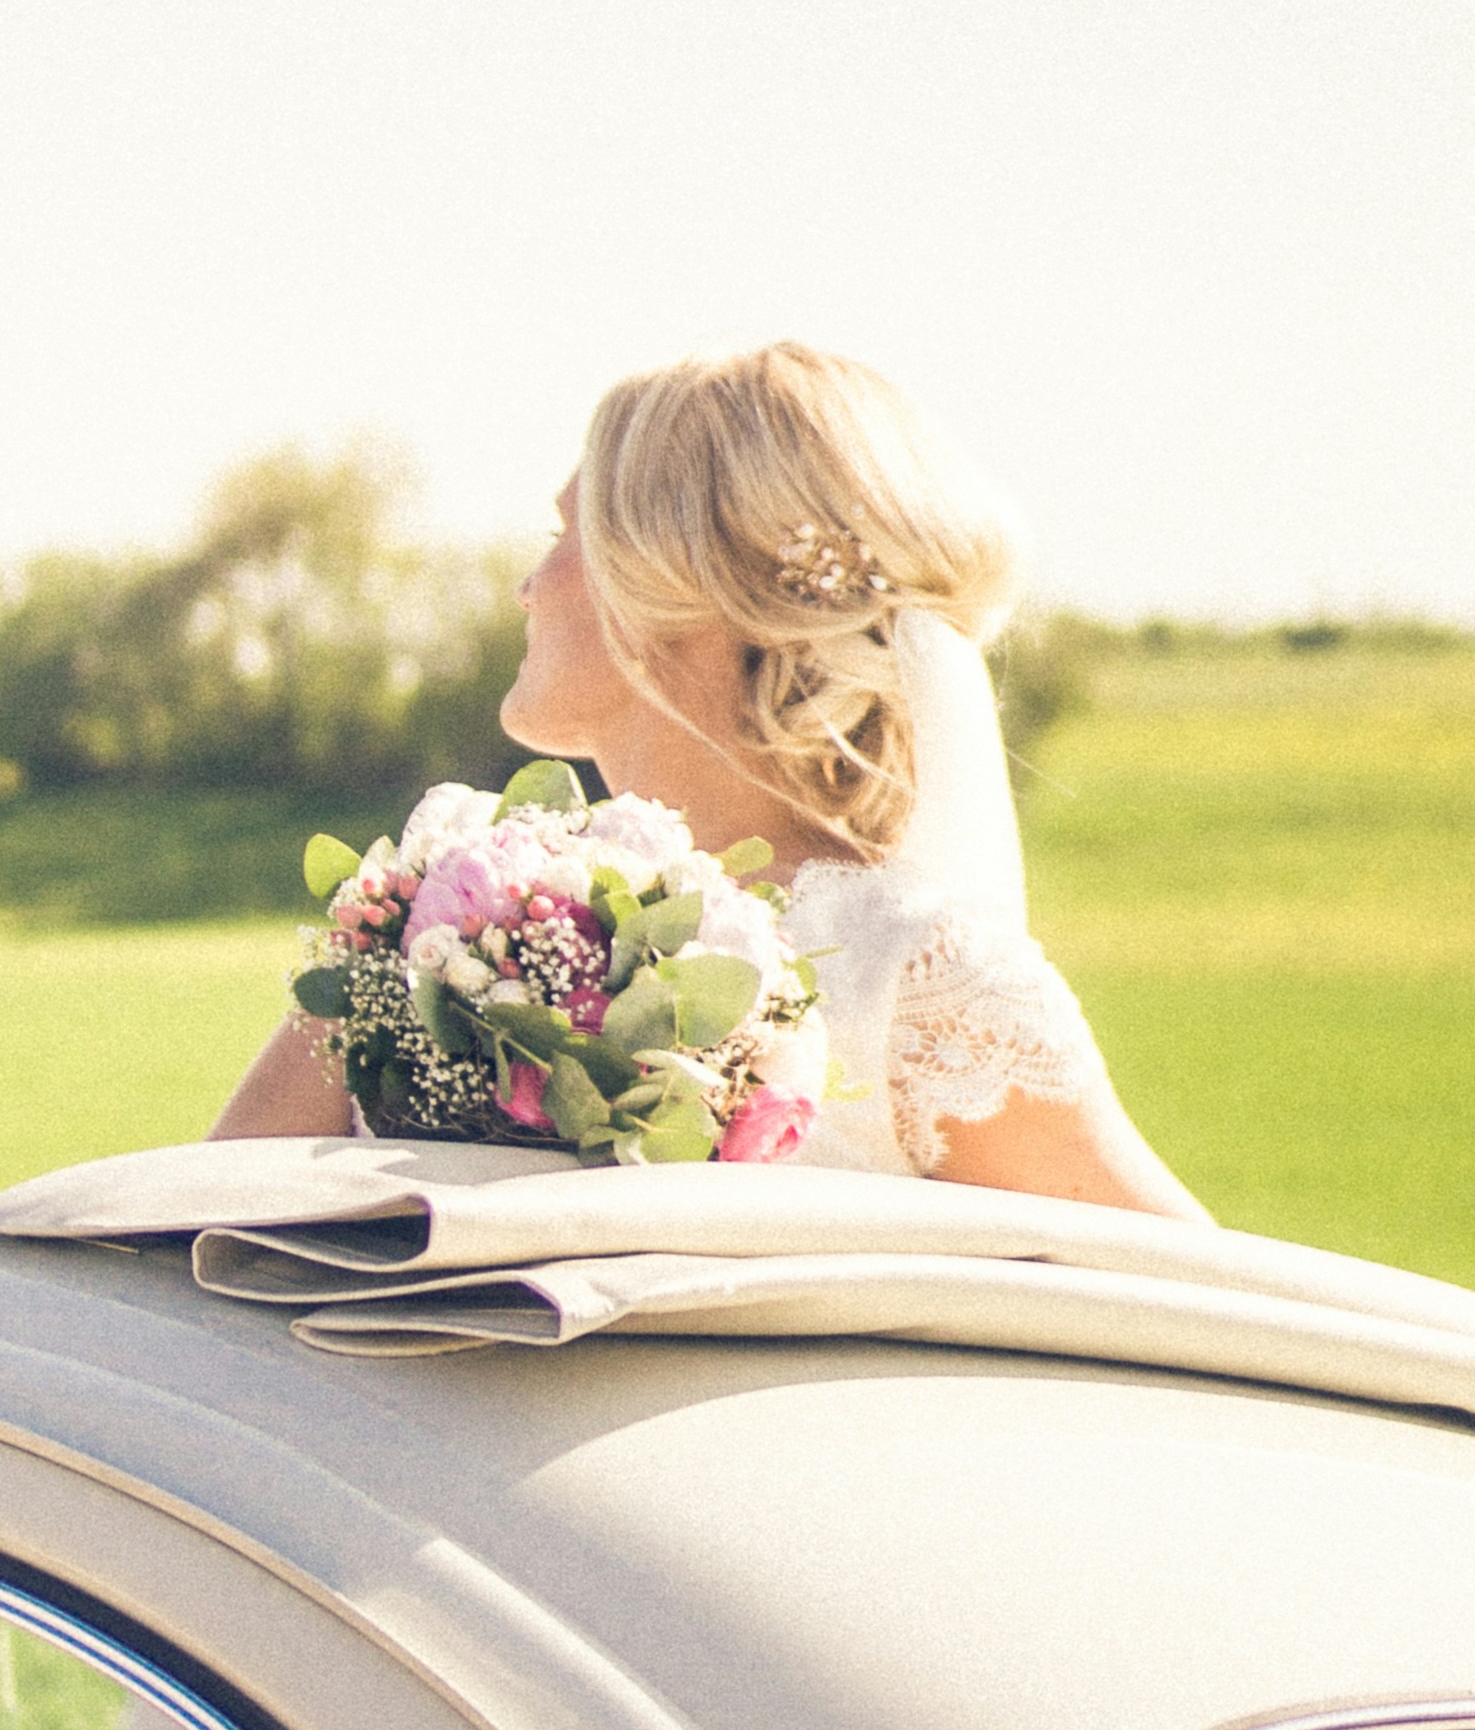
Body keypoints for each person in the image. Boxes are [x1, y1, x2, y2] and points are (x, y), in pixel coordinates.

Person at [209, 338, 1204, 1218]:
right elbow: (196, 1223)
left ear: (672, 582)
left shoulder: (909, 973)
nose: (524, 587)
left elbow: (1202, 1304)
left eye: (559, 537)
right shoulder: (444, 918)